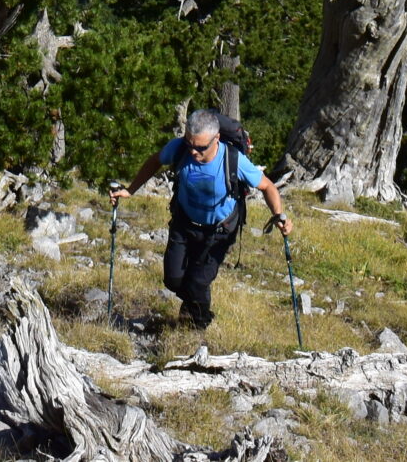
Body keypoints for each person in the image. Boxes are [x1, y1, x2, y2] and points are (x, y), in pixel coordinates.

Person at [110, 108, 291, 329]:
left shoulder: (233, 160)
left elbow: (267, 186)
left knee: (197, 282)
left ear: (216, 139)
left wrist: (278, 215)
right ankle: (194, 306)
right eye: (190, 144)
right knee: (173, 280)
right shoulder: (179, 149)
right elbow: (155, 161)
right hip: (184, 223)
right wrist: (131, 190)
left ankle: (199, 325)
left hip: (219, 230)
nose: (194, 151)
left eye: (200, 147)